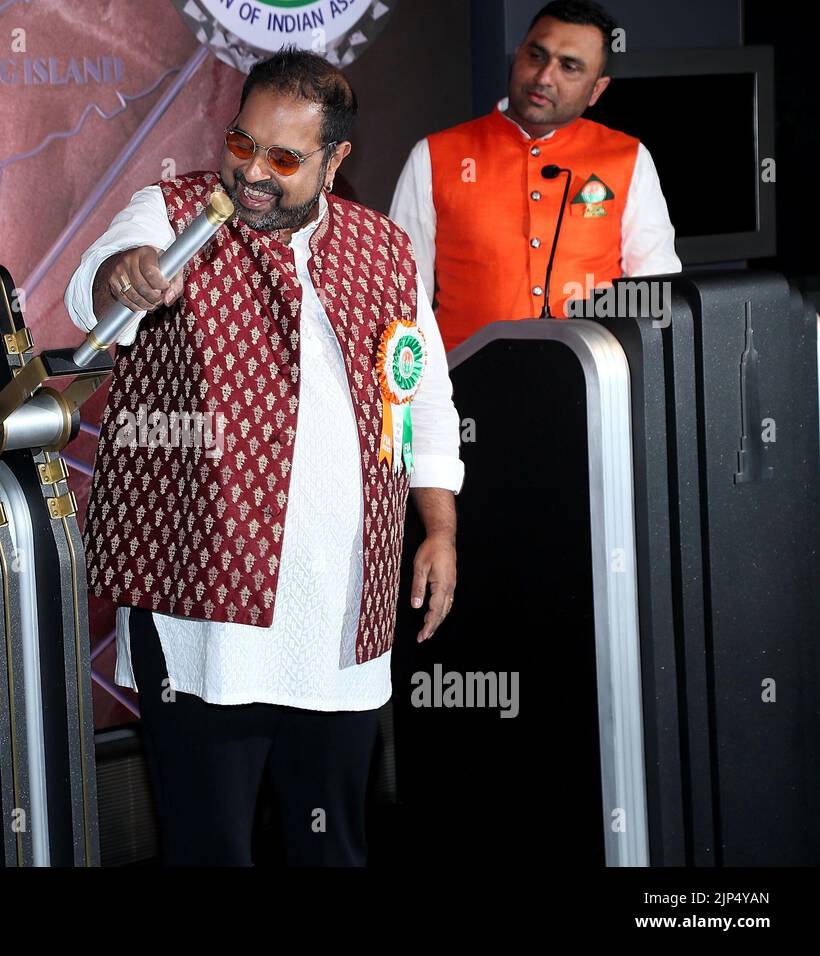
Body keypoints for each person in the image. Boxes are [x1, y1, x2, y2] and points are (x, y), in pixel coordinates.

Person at [64, 48, 464, 866]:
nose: (252, 172)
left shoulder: (386, 253)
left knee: (334, 849)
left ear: (336, 158)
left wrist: (439, 527)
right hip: (202, 613)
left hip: (340, 605)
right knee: (210, 850)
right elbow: (93, 289)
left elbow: (423, 399)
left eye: (283, 158)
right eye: (242, 144)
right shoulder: (172, 212)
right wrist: (127, 276)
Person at [390, 0, 682, 352]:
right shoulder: (434, 155)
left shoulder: (628, 157)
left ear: (596, 90)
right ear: (518, 56)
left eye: (569, 67)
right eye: (536, 56)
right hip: (464, 381)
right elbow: (402, 294)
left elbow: (655, 287)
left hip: (595, 380)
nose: (544, 77)